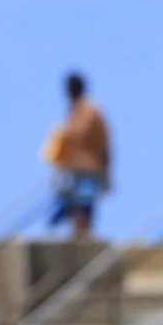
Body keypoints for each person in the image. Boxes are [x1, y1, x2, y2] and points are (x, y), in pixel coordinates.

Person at [44, 72, 112, 239]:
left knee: (84, 204)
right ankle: (78, 234)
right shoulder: (73, 113)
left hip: (88, 169)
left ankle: (83, 235)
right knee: (68, 205)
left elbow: (103, 144)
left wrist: (106, 172)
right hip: (72, 169)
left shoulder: (91, 112)